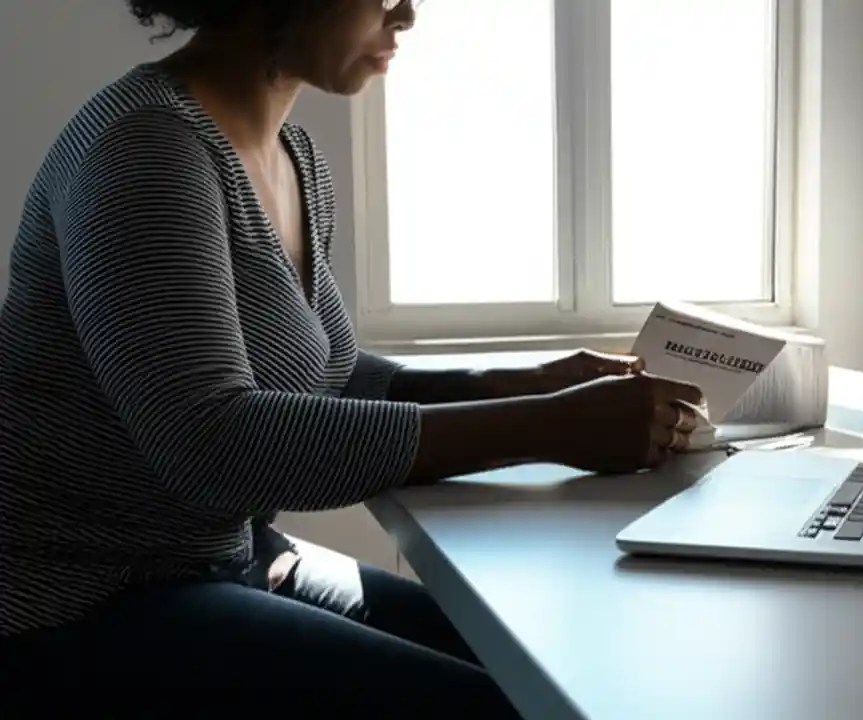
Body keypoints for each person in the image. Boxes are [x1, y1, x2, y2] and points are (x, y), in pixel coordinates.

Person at [0, 0, 704, 706]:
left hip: (223, 561)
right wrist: (552, 427)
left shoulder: (292, 155)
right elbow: (212, 446)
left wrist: (528, 383)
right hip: (84, 599)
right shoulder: (142, 148)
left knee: (548, 670)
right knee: (513, 701)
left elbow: (332, 375)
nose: (407, 13)